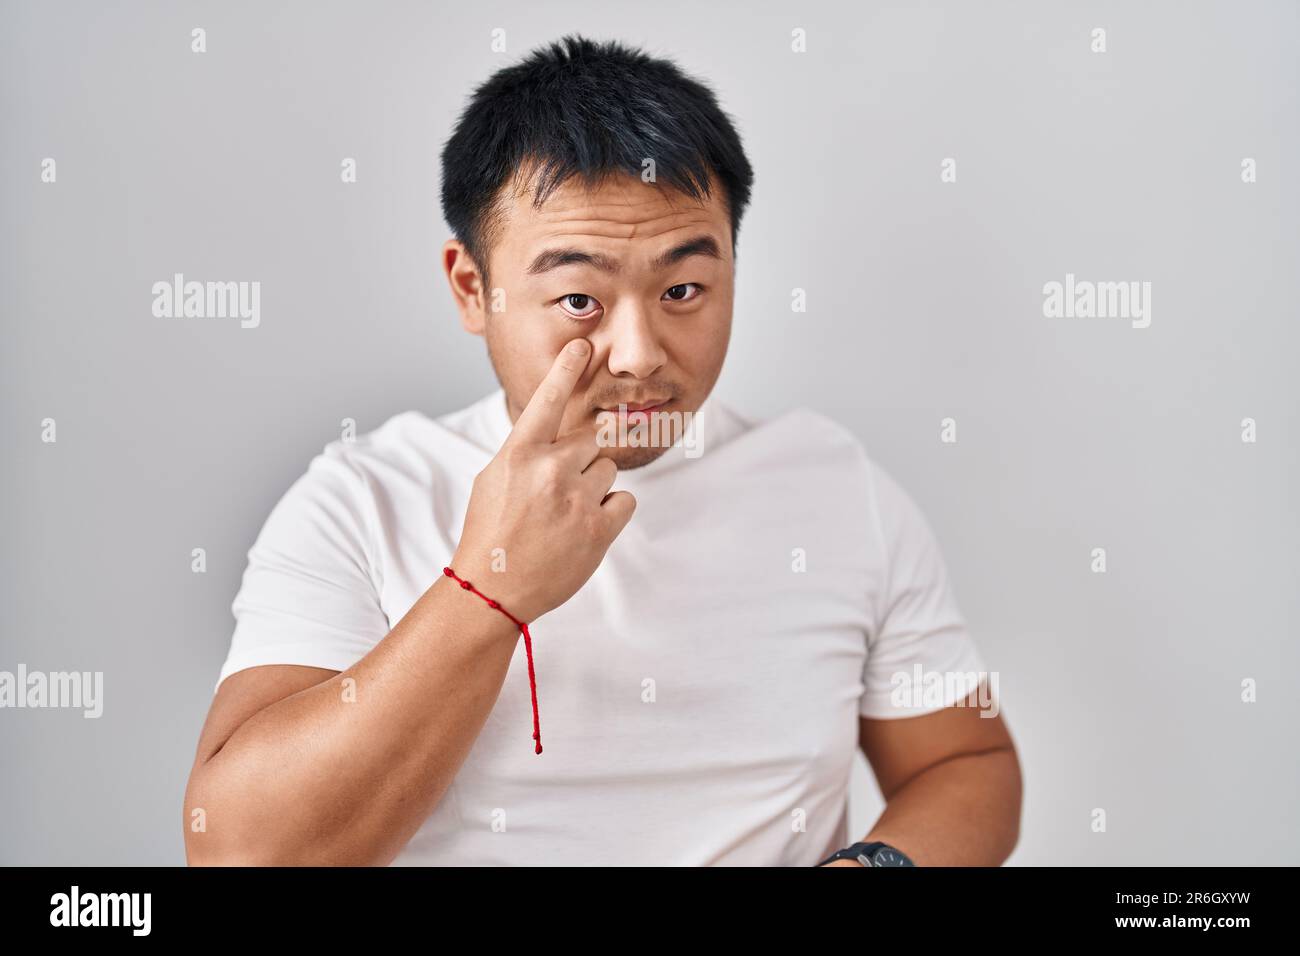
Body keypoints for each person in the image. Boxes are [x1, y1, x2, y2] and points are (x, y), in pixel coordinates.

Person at [183, 34, 1021, 867]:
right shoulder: (362, 502)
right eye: (580, 297)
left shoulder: (835, 488)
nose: (640, 353)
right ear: (473, 288)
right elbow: (240, 856)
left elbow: (965, 763)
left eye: (683, 289)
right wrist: (490, 588)